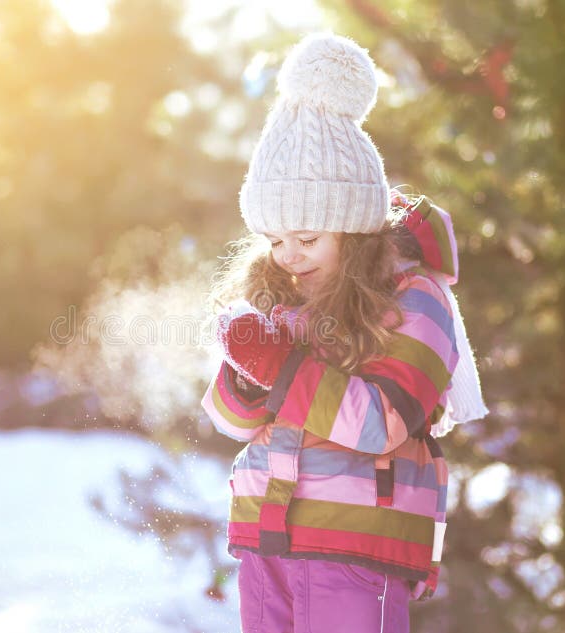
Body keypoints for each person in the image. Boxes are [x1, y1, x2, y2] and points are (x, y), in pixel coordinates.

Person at [200, 32, 489, 633]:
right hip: (266, 537)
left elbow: (381, 423)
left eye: (307, 239)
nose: (288, 255)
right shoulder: (282, 295)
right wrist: (246, 375)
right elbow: (231, 422)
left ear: (353, 227)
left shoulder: (414, 300)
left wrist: (280, 367)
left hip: (357, 546)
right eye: (275, 240)